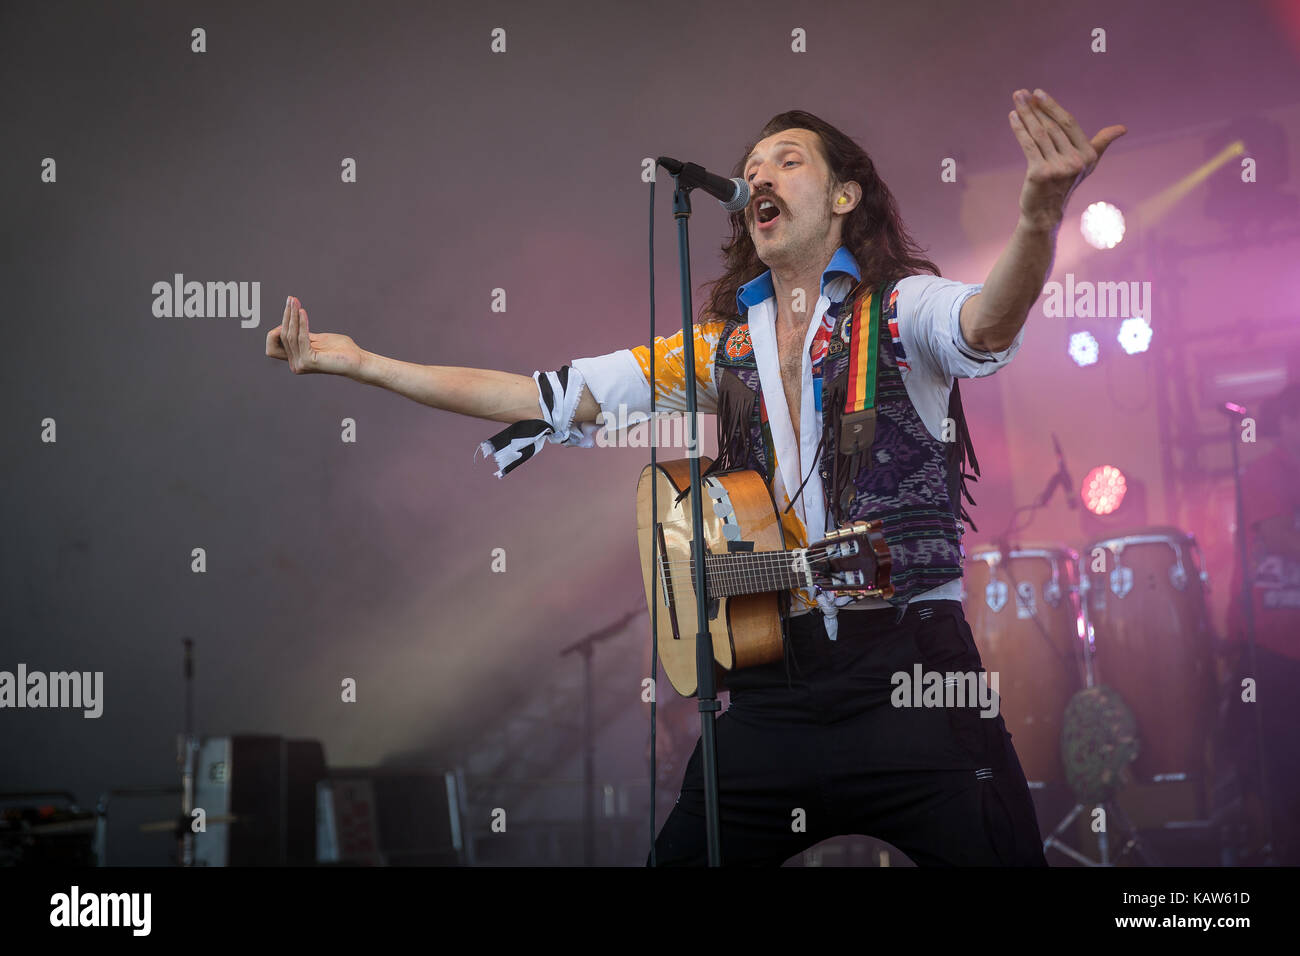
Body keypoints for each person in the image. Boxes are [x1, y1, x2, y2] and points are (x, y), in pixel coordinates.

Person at [267, 91, 1125, 866]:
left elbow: (987, 321)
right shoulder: (721, 346)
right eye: (752, 167)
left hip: (910, 678)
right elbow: (547, 396)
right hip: (771, 694)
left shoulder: (901, 308)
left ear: (843, 196)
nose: (761, 174)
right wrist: (363, 363)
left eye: (789, 160)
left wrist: (1040, 221)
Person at [1224, 382, 1300, 864]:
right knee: (1274, 763)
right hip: (1268, 646)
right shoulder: (1265, 474)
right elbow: (1281, 540)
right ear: (1286, 426)